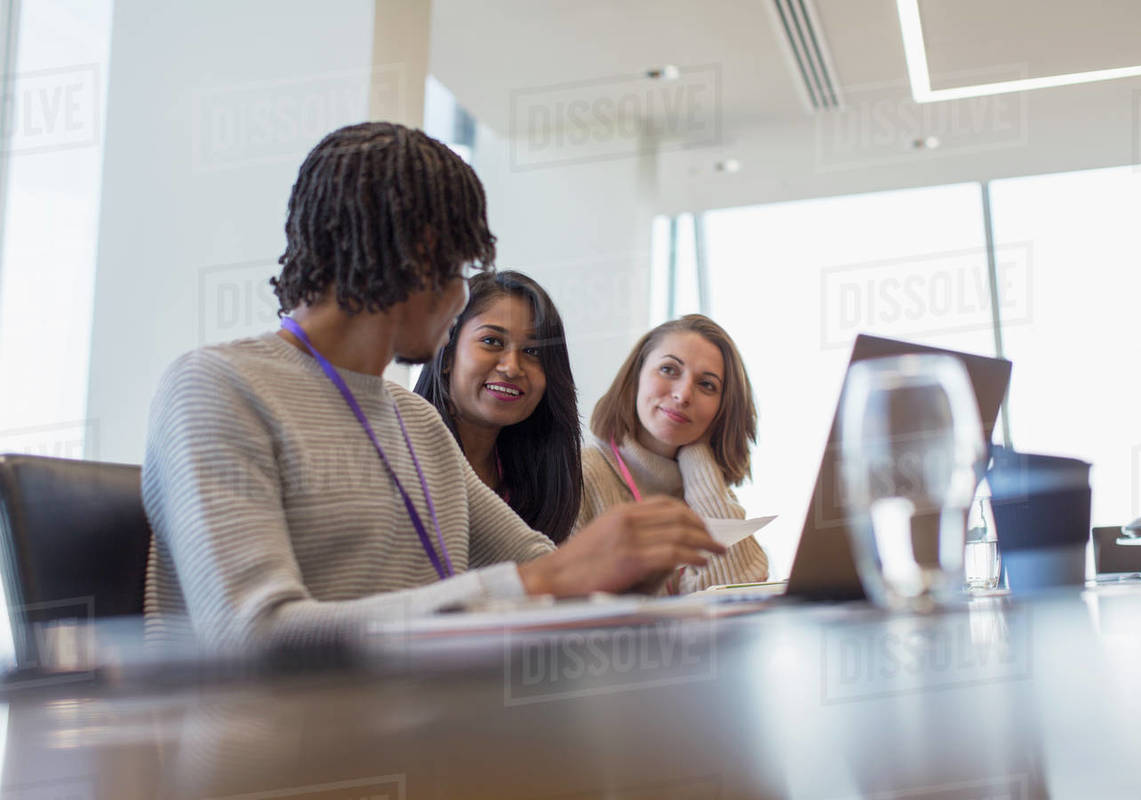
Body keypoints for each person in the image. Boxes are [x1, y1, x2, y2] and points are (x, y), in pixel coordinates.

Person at [141, 123, 724, 649]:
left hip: (423, 742)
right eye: (455, 268)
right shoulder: (217, 388)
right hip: (290, 763)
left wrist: (626, 575)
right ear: (415, 255)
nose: (458, 297)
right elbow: (252, 634)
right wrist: (544, 580)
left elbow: (540, 562)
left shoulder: (414, 420)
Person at [578, 314, 769, 593]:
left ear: (723, 409)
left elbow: (740, 601)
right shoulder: (579, 475)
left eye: (707, 385)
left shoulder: (713, 497)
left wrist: (699, 462)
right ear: (635, 378)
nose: (683, 394)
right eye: (669, 369)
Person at [413, 270, 580, 544]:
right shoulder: (400, 454)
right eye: (492, 341)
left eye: (533, 352)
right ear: (446, 354)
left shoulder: (533, 478)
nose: (512, 368)